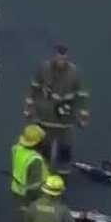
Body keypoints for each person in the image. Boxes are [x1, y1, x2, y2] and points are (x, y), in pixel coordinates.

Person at [24, 45, 89, 176]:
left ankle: (63, 172)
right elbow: (34, 87)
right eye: (59, 58)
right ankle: (43, 170)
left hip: (65, 118)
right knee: (45, 145)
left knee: (65, 146)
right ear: (54, 57)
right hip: (45, 116)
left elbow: (82, 94)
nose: (61, 61)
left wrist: (83, 114)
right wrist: (29, 108)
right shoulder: (44, 69)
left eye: (63, 59)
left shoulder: (74, 73)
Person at [10, 124, 47, 222]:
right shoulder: (35, 160)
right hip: (30, 197)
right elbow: (35, 185)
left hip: (17, 192)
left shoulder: (16, 149)